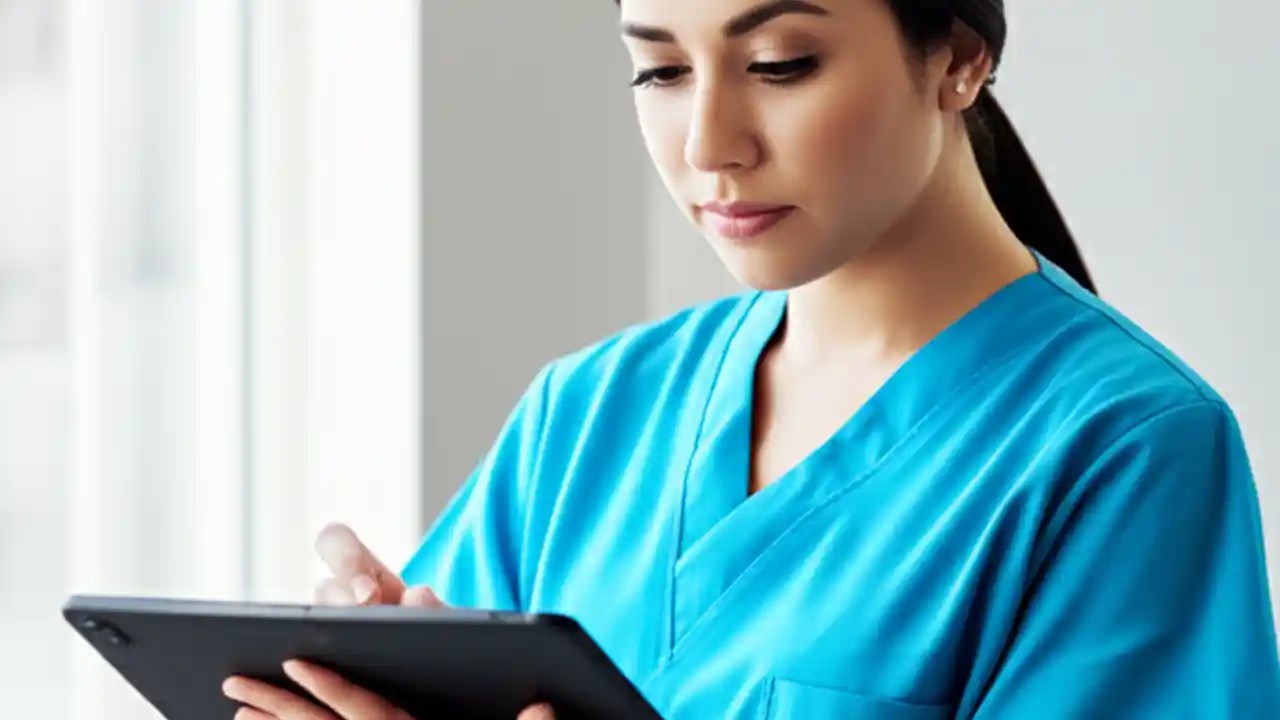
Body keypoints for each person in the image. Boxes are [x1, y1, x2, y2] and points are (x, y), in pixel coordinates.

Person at [222, 0, 1280, 718]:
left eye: (779, 64)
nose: (707, 142)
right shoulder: (587, 413)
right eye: (659, 69)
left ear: (956, 57)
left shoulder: (1122, 450)